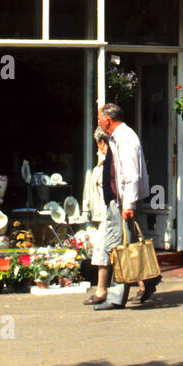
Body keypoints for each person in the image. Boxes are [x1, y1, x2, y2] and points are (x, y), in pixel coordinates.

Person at [92, 102, 160, 310]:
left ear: (108, 120)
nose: (98, 122)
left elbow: (132, 174)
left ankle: (116, 297)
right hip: (117, 200)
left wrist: (128, 204)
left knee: (118, 247)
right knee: (125, 245)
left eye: (99, 119)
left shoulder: (125, 138)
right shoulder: (117, 137)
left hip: (122, 202)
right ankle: (149, 280)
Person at [82, 128, 113, 306]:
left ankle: (101, 290)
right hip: (104, 213)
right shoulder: (104, 162)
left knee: (103, 249)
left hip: (109, 213)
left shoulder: (110, 162)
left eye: (99, 144)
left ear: (102, 143)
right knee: (123, 249)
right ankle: (145, 281)